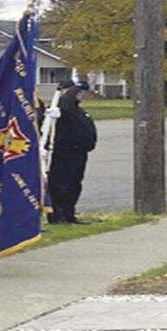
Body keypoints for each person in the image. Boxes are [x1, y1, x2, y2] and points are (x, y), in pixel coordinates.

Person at [46, 80, 97, 225]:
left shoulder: (78, 110)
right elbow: (65, 104)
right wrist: (71, 91)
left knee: (74, 184)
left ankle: (69, 214)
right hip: (65, 152)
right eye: (79, 92)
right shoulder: (64, 108)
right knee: (60, 184)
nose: (82, 95)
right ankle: (58, 215)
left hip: (80, 152)